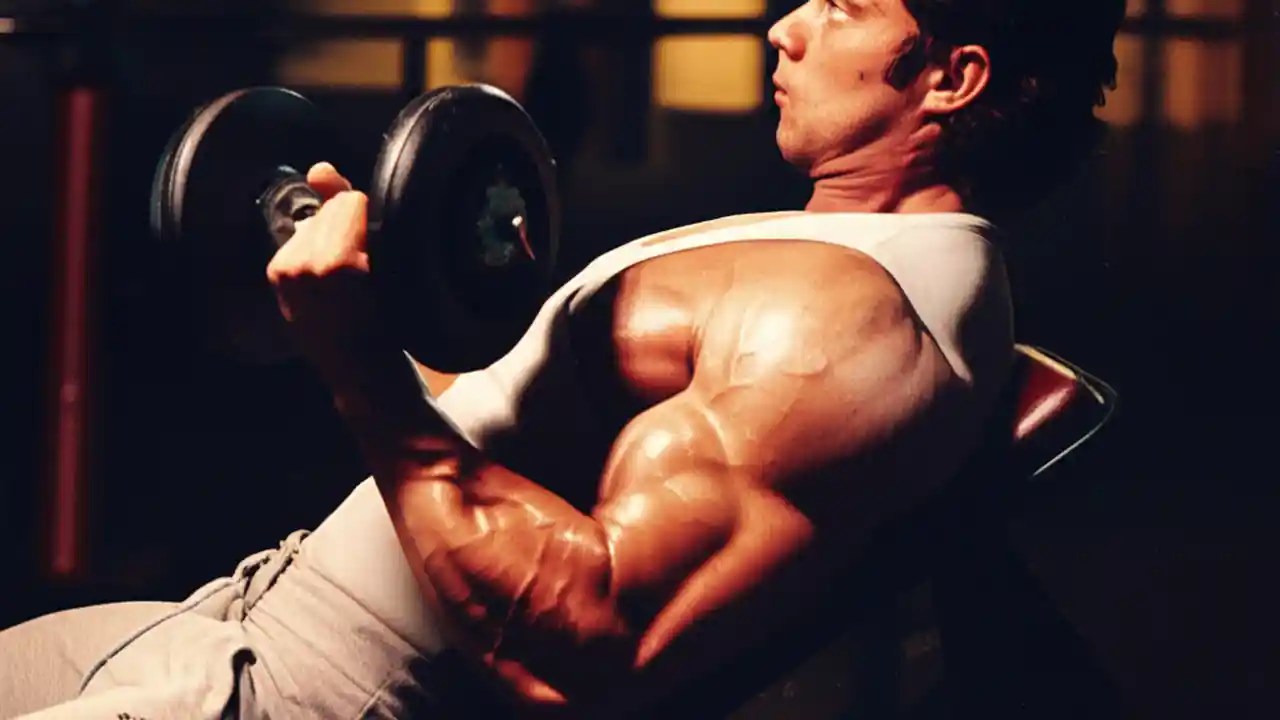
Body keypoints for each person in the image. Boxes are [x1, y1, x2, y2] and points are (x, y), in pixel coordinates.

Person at [0, 0, 1125, 717]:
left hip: (316, 690)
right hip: (238, 619)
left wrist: (359, 365)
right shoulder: (832, 251)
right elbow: (506, 425)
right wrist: (377, 295)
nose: (785, 28)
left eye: (840, 7)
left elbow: (590, 641)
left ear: (953, 77)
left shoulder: (846, 324)